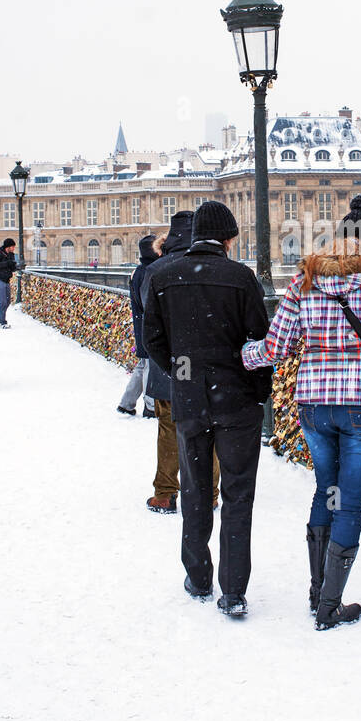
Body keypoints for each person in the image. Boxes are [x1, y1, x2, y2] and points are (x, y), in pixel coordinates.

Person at [242, 194, 361, 630]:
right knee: (351, 504)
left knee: (328, 490)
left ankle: (316, 589)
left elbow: (276, 348)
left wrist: (238, 355)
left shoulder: (304, 281)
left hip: (315, 404)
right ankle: (330, 604)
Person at [143, 202, 271, 617]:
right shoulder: (241, 278)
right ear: (229, 238)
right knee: (237, 494)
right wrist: (256, 391)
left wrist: (183, 373)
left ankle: (198, 576)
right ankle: (232, 590)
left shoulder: (163, 276)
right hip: (236, 400)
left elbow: (154, 342)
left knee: (195, 489)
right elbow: (260, 342)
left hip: (190, 397)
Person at [141, 227, 220, 516]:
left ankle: (165, 494)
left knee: (169, 431)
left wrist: (167, 365)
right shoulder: (213, 267)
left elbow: (149, 324)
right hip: (207, 368)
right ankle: (209, 494)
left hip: (171, 364)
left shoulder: (155, 270)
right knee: (209, 431)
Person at [117, 235, 158, 418]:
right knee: (149, 363)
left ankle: (126, 403)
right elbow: (148, 302)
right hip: (147, 325)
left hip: (139, 322)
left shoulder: (139, 271)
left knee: (143, 364)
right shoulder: (149, 272)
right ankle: (150, 405)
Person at [0, 238, 18, 327]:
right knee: (3, 302)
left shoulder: (11, 255)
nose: (14, 248)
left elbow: (12, 268)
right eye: (13, 246)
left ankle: (0, 319)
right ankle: (2, 321)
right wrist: (7, 263)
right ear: (8, 247)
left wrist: (16, 267)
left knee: (8, 301)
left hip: (7, 280)